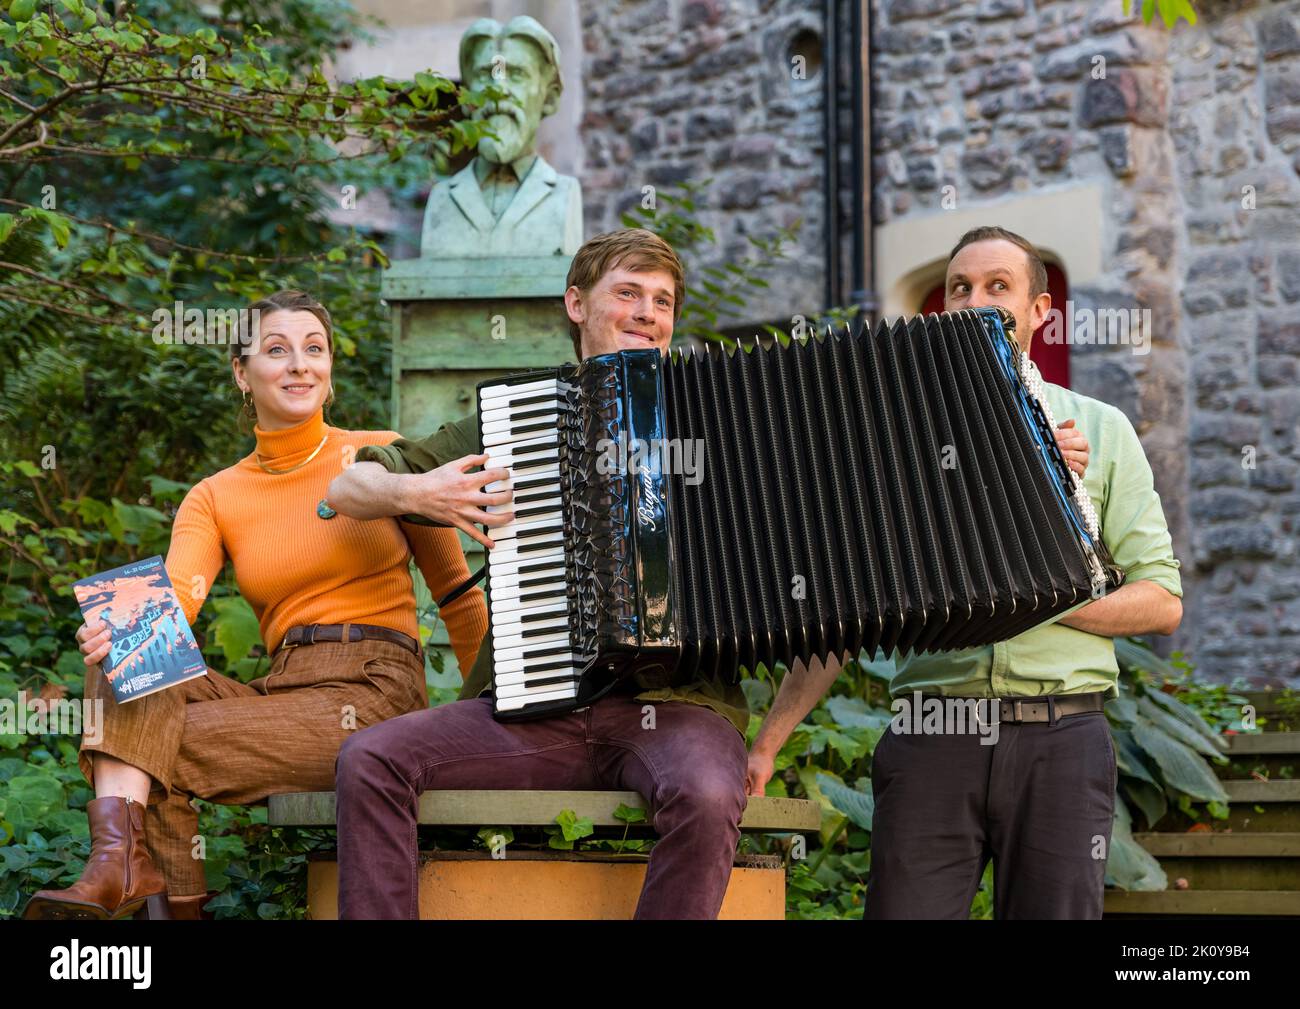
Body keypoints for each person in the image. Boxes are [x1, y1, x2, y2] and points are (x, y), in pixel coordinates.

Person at [747, 225, 1182, 920]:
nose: (973, 301)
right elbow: (848, 605)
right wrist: (767, 741)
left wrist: (1031, 591)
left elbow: (1161, 601)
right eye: (959, 287)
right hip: (930, 738)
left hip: (1061, 740)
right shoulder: (890, 445)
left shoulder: (1100, 432)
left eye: (997, 286)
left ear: (1040, 311)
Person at [325, 229, 754, 919]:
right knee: (370, 759)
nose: (648, 312)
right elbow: (348, 489)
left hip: (679, 711)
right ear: (577, 303)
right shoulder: (518, 419)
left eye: (663, 301)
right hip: (537, 710)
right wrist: (417, 493)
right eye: (628, 293)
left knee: (704, 794)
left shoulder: (724, 422)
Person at [23, 290, 487, 921]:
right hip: (278, 694)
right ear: (242, 373)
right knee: (124, 635)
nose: (299, 365)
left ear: (329, 375)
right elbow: (176, 602)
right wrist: (115, 637)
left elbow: (458, 598)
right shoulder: (215, 496)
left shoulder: (381, 456)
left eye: (314, 350)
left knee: (135, 745)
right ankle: (120, 863)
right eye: (277, 350)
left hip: (372, 694)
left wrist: (495, 718)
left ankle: (123, 867)